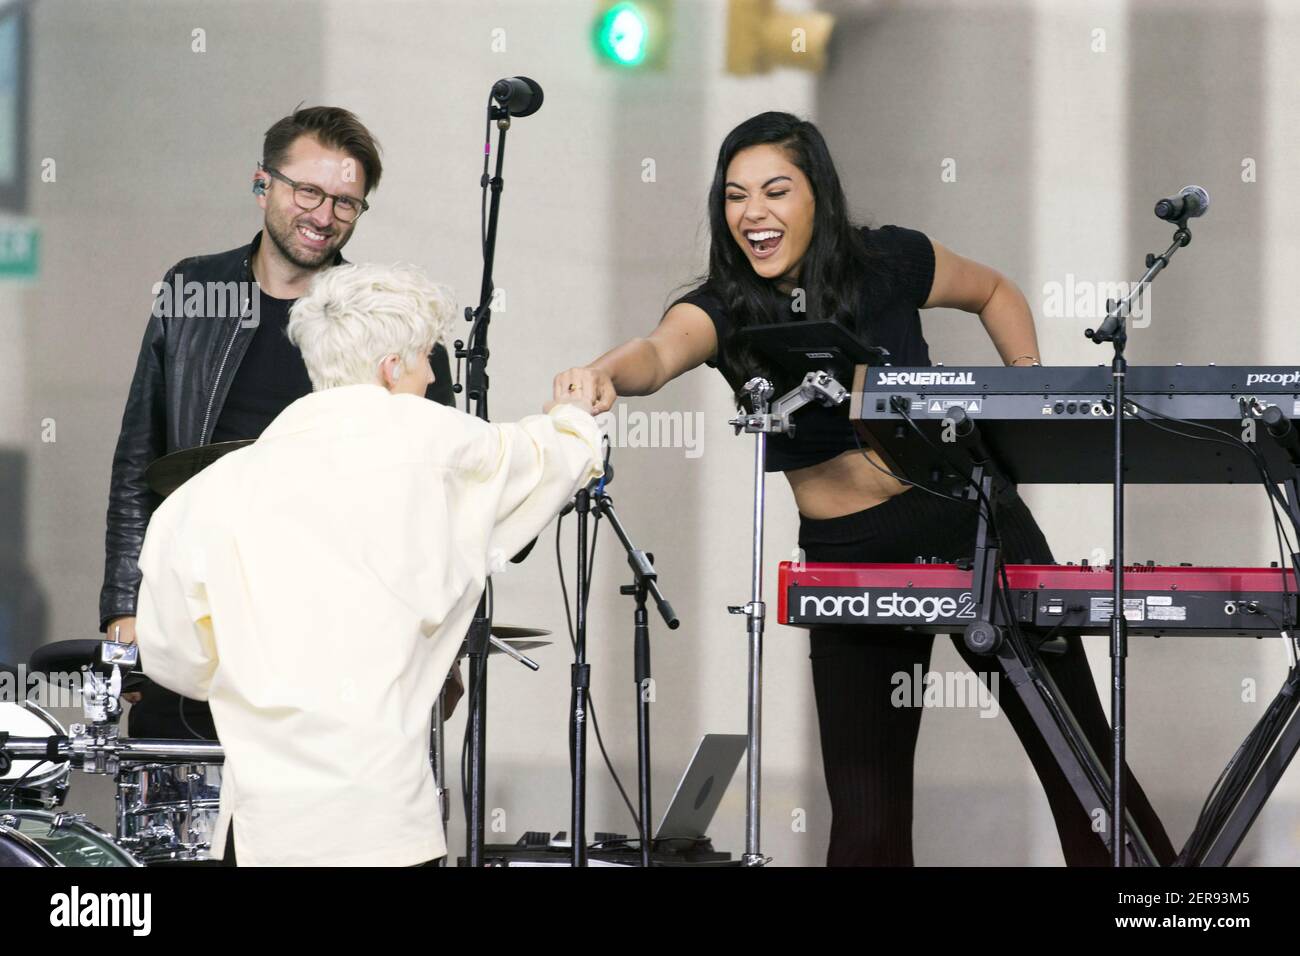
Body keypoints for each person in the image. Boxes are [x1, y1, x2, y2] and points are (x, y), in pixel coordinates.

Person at [552, 111, 1176, 866]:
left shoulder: (890, 261)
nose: (754, 213)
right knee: (866, 820)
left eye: (776, 191)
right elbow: (655, 353)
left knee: (1084, 775)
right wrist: (602, 374)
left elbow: (995, 291)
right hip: (847, 557)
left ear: (817, 193)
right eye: (735, 196)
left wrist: (1021, 387)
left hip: (967, 523)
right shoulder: (726, 306)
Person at [134, 262, 604, 866]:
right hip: (383, 826)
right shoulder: (436, 441)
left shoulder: (203, 495)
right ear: (392, 367)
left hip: (264, 832)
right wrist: (572, 411)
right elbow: (551, 457)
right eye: (427, 360)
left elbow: (177, 660)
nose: (433, 376)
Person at [100, 105, 455, 739]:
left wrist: (441, 643)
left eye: (347, 202)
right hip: (201, 616)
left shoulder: (392, 322)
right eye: (309, 191)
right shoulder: (191, 289)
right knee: (187, 824)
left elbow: (441, 500)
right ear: (263, 183)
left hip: (331, 636)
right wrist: (124, 610)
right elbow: (138, 459)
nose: (324, 216)